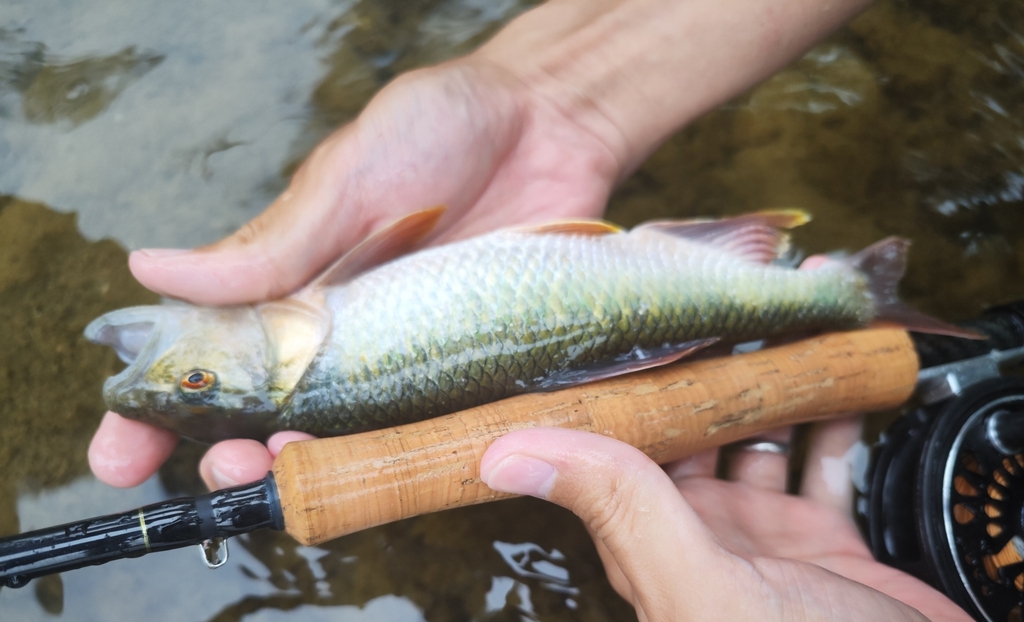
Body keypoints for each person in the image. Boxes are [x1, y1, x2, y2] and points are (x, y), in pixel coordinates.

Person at [88, 0, 972, 619]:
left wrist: (544, 94)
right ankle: (846, 294)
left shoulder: (312, 316)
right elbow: (408, 229)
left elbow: (410, 223)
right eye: (197, 378)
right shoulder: (320, 316)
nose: (180, 367)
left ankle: (841, 294)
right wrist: (544, 93)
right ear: (266, 378)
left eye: (194, 376)